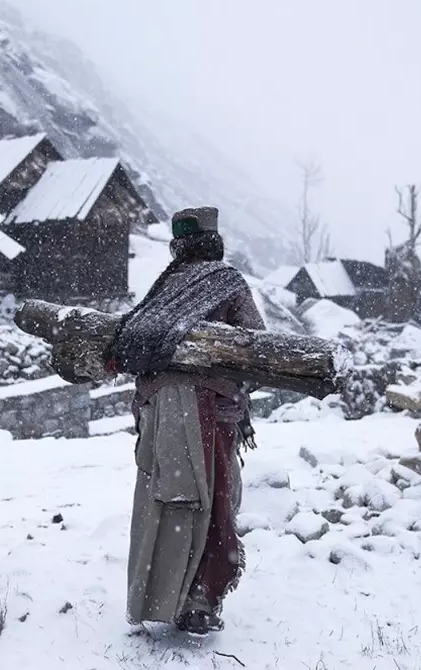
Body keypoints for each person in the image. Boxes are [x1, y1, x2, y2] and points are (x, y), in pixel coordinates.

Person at [105, 206, 265, 636]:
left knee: (165, 503)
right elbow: (257, 347)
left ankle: (161, 595)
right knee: (212, 504)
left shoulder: (165, 288)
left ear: (179, 247)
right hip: (210, 412)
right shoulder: (227, 283)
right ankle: (199, 599)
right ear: (215, 243)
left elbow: (134, 349)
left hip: (160, 413)